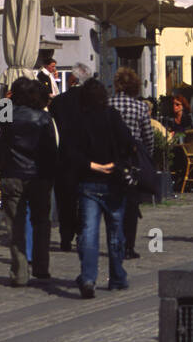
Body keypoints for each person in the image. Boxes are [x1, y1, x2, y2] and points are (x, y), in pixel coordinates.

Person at [61, 77, 134, 297]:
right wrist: (114, 165)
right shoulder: (112, 117)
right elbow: (128, 144)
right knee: (115, 231)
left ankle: (89, 278)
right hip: (113, 181)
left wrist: (92, 165)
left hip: (88, 181)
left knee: (89, 233)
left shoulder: (77, 120)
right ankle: (117, 276)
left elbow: (68, 151)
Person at [0, 78, 59, 286]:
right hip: (38, 176)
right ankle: (41, 267)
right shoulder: (44, 118)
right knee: (41, 222)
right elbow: (50, 150)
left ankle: (20, 272)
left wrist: (5, 100)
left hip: (12, 174)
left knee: (15, 225)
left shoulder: (8, 115)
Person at [48, 62, 93, 252]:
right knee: (85, 199)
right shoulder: (92, 101)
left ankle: (66, 237)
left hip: (64, 156)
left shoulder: (59, 102)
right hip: (88, 157)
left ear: (72, 79)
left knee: (65, 200)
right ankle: (83, 235)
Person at [110, 67, 153, 259]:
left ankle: (115, 242)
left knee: (113, 203)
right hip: (132, 160)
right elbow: (148, 136)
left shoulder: (108, 104)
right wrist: (147, 157)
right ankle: (129, 246)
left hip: (111, 159)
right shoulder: (141, 107)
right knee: (131, 205)